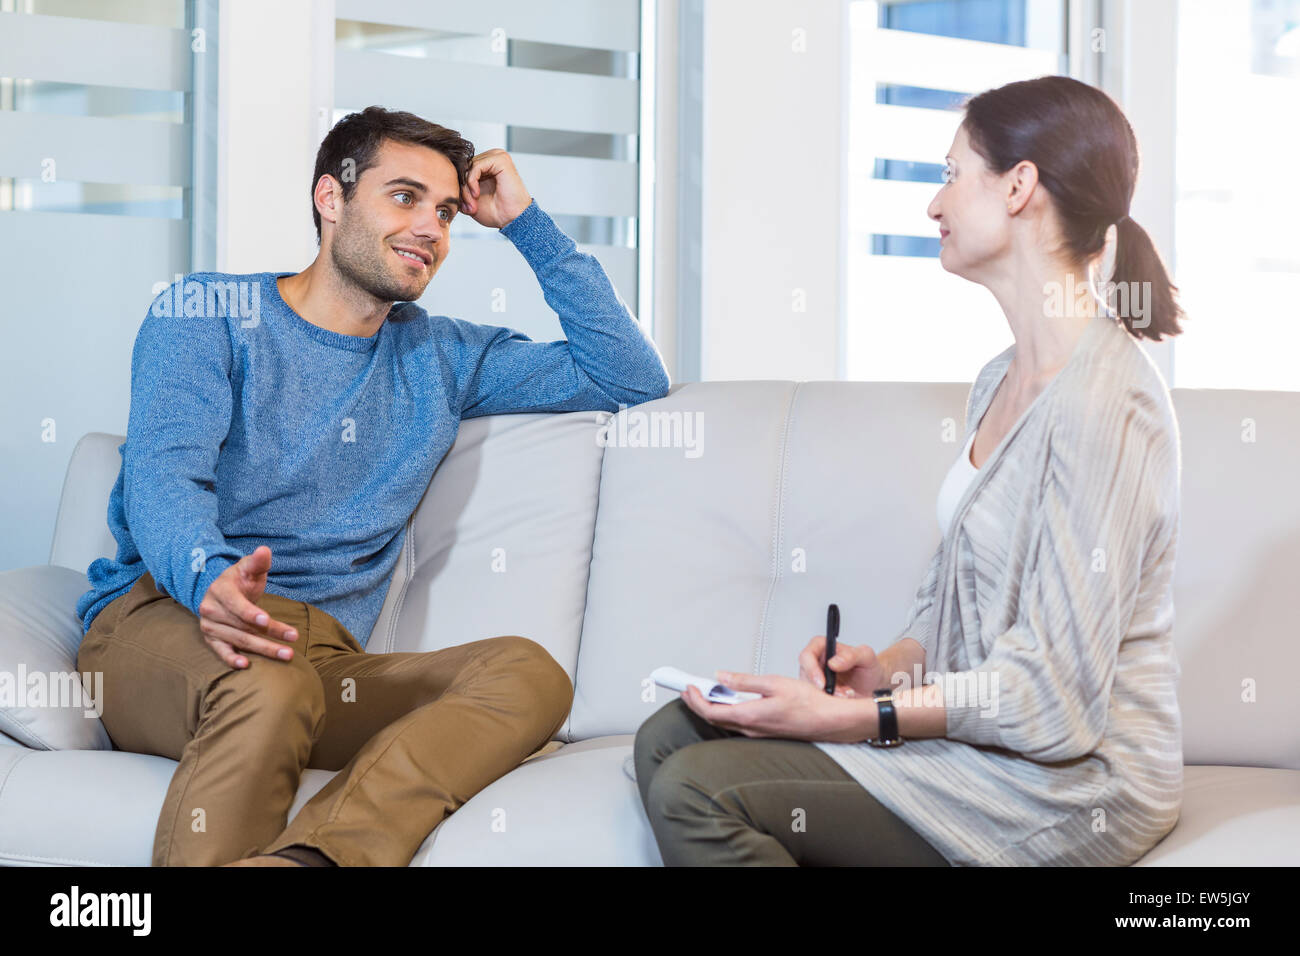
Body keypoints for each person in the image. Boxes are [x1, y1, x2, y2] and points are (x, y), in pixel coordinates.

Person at [75, 106, 671, 867]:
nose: (431, 227)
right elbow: (165, 470)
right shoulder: (208, 313)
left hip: (324, 664)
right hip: (169, 619)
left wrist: (525, 223)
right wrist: (208, 576)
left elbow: (627, 374)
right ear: (332, 198)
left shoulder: (442, 356)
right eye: (404, 197)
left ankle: (313, 861)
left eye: (448, 211)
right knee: (269, 685)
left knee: (526, 675)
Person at [634, 75, 1186, 867]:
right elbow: (955, 604)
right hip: (991, 742)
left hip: (1071, 784)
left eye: (951, 174)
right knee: (671, 733)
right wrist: (884, 670)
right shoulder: (1000, 378)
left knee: (696, 787)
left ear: (1020, 185)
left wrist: (855, 720)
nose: (935, 205)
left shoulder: (1105, 405)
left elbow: (1054, 703)